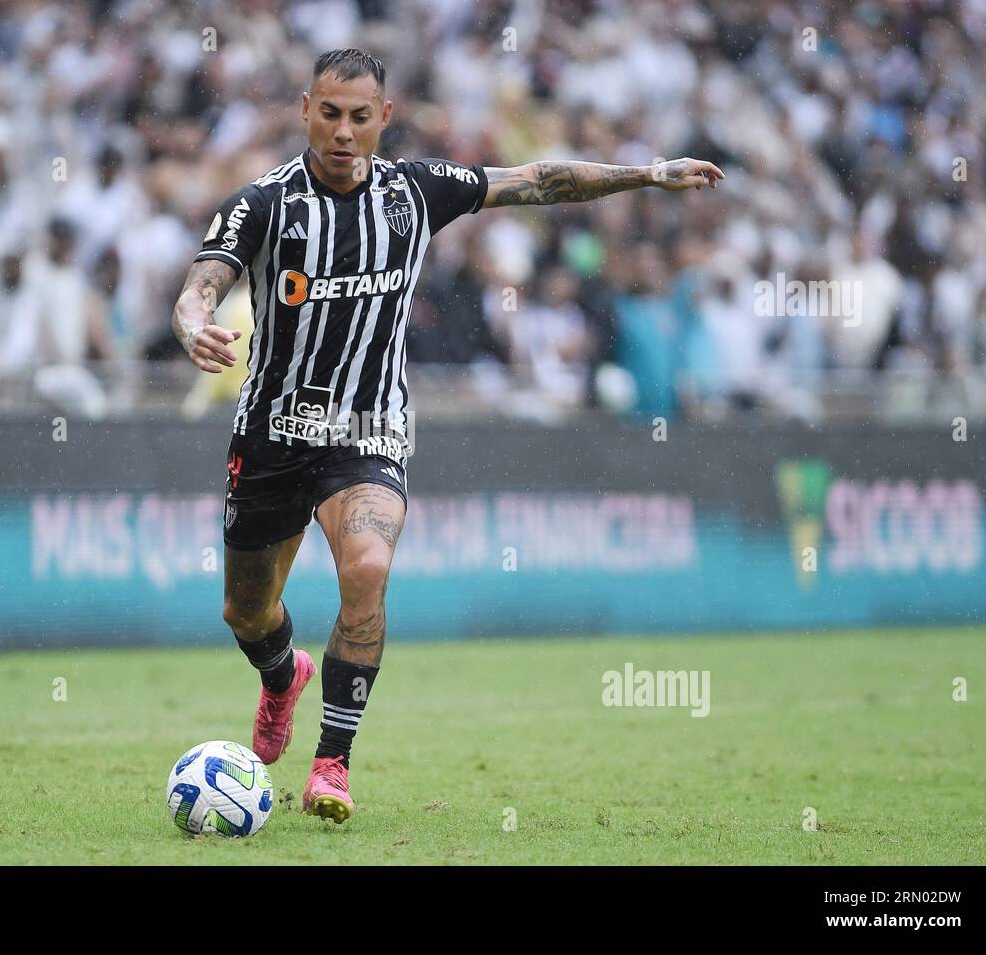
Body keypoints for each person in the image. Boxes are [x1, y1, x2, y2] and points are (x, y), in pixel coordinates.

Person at [170, 48, 723, 823]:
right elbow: (203, 282)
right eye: (329, 113)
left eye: (360, 116)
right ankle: (278, 677)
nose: (343, 130)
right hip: (271, 431)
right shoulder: (263, 204)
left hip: (369, 428)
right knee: (246, 613)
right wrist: (195, 325)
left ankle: (332, 762)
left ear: (383, 118)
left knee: (366, 566)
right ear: (304, 110)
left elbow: (535, 181)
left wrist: (644, 173)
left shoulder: (414, 191)